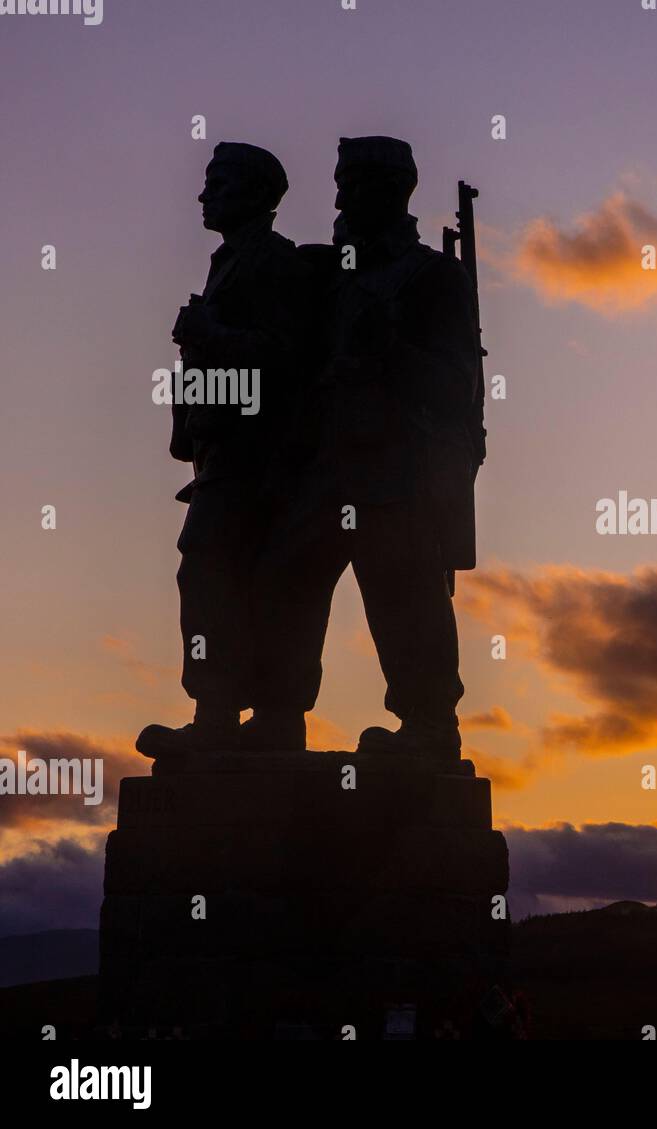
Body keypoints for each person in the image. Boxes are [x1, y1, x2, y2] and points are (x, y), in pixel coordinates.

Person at [241, 136, 480, 759]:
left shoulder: (434, 277)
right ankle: (276, 715)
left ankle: (429, 728)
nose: (340, 195)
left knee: (402, 591)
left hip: (394, 467)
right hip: (321, 463)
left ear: (390, 189)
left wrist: (389, 350)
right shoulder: (327, 271)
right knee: (284, 581)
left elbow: (457, 387)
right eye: (340, 181)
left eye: (352, 182)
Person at [137, 143, 306, 758]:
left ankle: (224, 716)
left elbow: (285, 356)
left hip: (258, 457)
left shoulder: (273, 263)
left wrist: (212, 335)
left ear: (259, 196)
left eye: (219, 183)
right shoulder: (230, 263)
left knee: (214, 569)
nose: (204, 195)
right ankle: (243, 717)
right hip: (225, 452)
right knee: (226, 575)